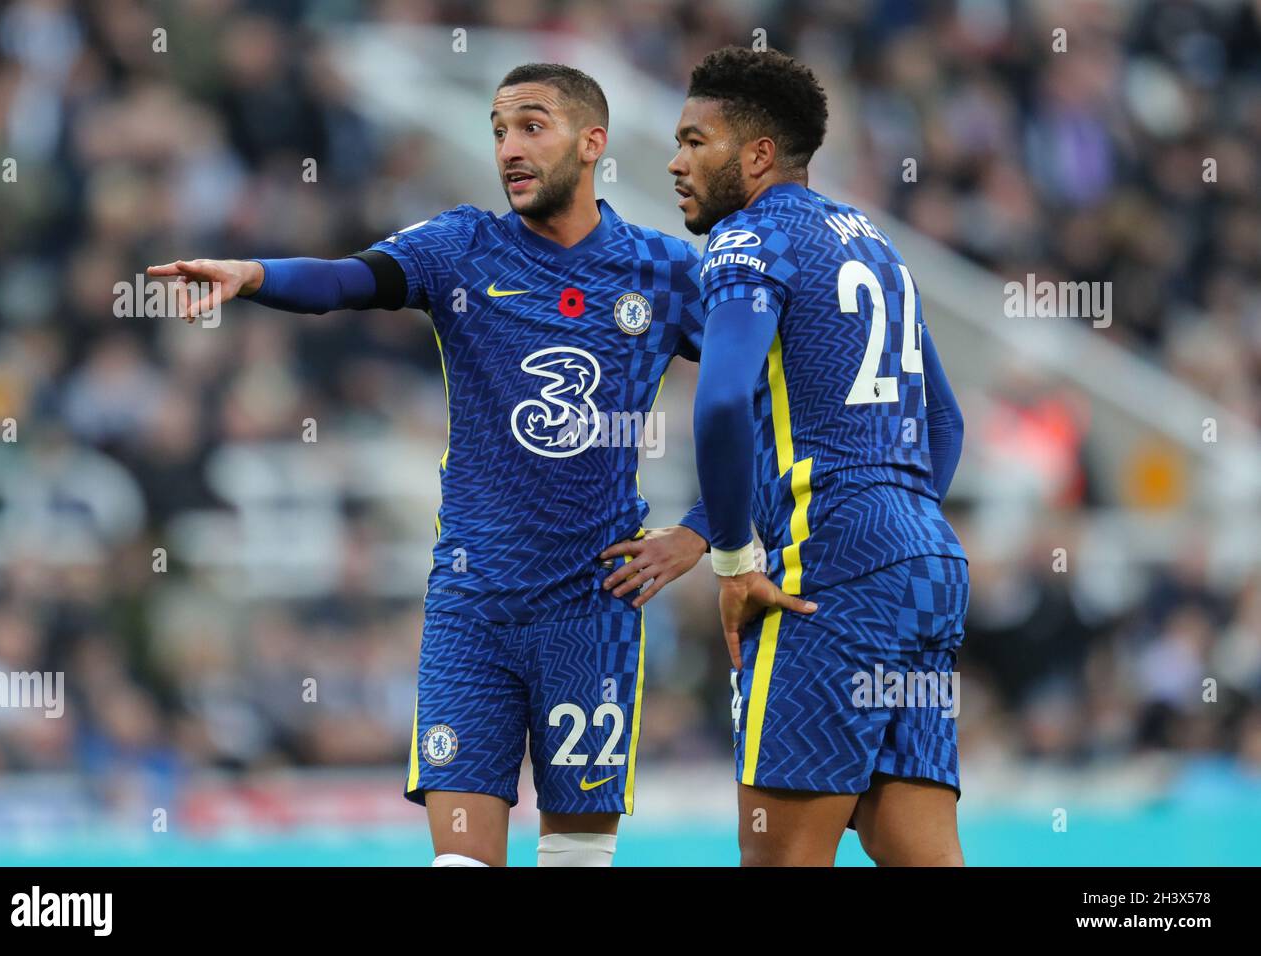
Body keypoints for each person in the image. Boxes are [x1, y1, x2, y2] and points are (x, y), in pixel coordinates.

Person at [148, 64, 712, 867]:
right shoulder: (462, 246)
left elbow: (762, 401)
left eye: (531, 126)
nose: (508, 148)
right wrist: (254, 276)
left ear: (594, 143)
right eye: (496, 131)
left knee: (578, 861)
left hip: (593, 607)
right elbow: (347, 281)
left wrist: (700, 534)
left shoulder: (662, 271)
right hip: (472, 606)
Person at [671, 47, 968, 866]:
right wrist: (897, 527)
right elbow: (945, 421)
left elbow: (723, 399)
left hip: (826, 573)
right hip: (926, 566)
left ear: (758, 155)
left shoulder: (746, 238)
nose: (675, 160)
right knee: (923, 854)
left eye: (697, 140)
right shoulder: (874, 244)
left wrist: (732, 559)